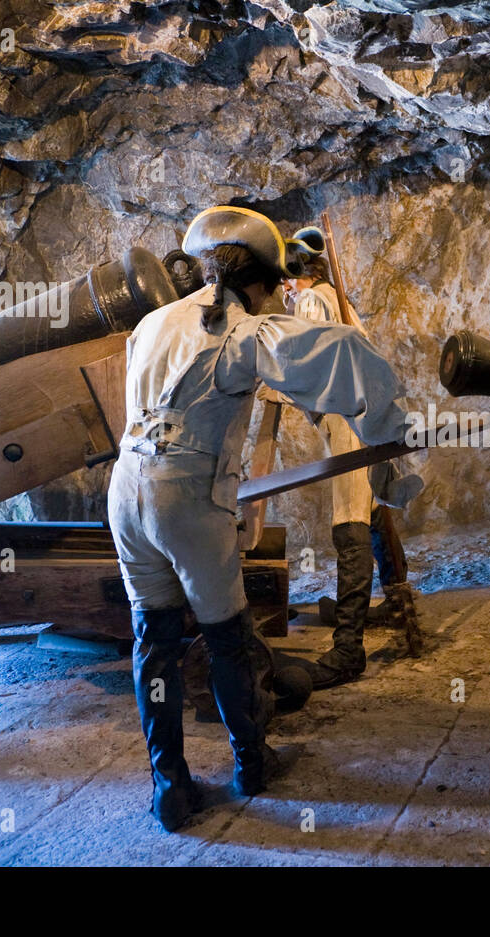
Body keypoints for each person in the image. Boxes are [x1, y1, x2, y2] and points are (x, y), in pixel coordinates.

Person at [108, 205, 409, 832]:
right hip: (185, 496)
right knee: (227, 636)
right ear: (263, 282)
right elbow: (342, 355)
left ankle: (170, 786)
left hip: (125, 489)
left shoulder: (154, 323)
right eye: (279, 288)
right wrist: (393, 448)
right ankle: (251, 764)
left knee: (154, 642)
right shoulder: (243, 332)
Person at [278, 259, 422, 689]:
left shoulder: (309, 301)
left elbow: (304, 358)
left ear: (298, 275)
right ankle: (396, 602)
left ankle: (347, 651)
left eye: (287, 279)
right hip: (365, 416)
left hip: (347, 421)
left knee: (350, 523)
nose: (285, 288)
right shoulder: (337, 302)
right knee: (371, 507)